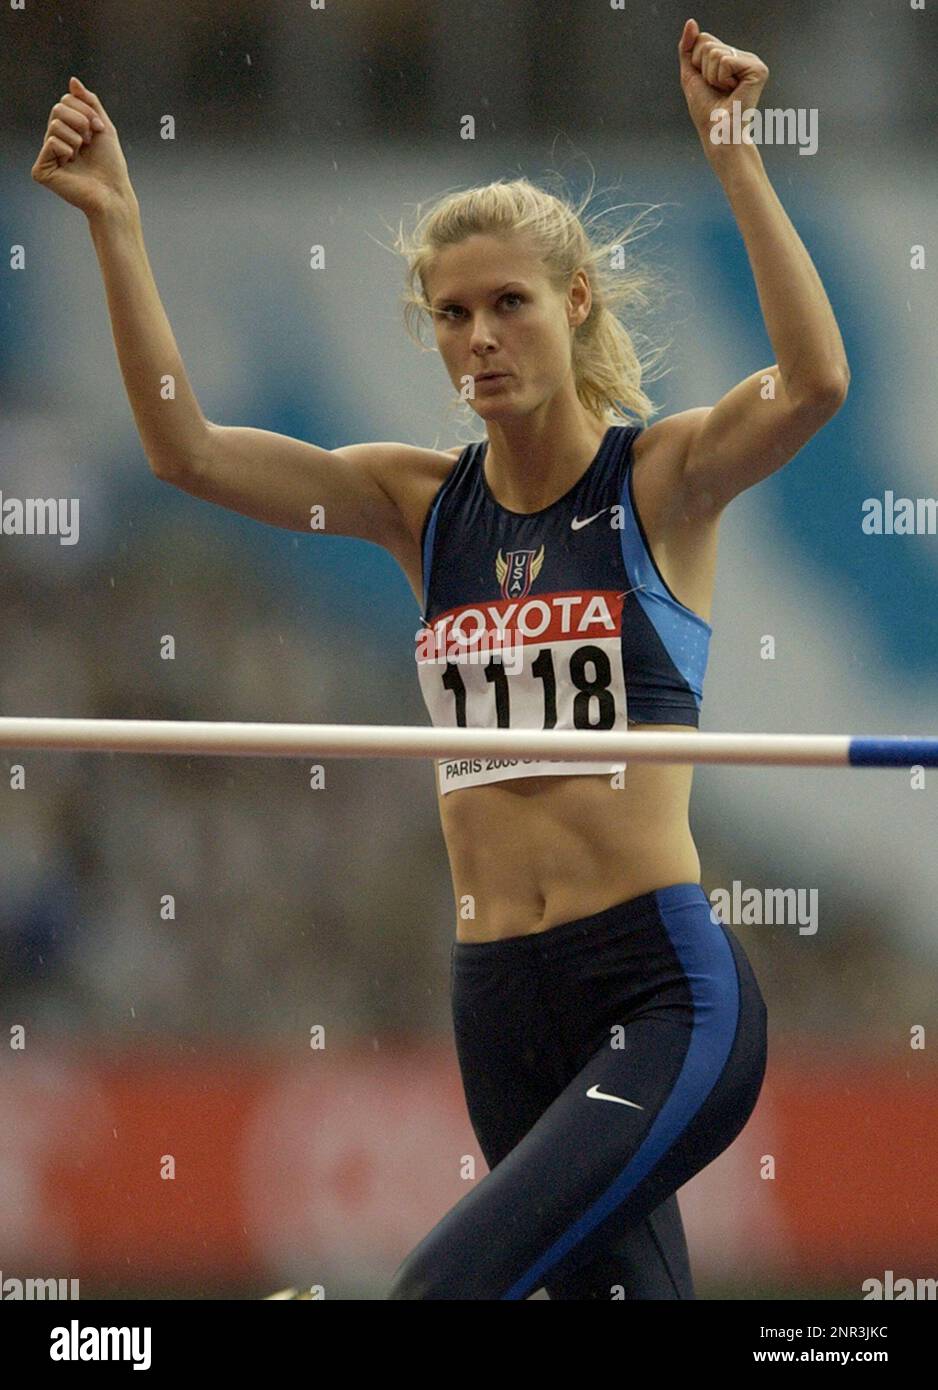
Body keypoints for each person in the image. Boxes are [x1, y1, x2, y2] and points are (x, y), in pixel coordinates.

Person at [32, 19, 849, 1299]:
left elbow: (811, 383)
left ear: (571, 304)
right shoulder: (420, 509)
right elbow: (186, 452)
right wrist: (113, 222)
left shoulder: (660, 482)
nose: (478, 337)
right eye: (451, 313)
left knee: (441, 1288)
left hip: (659, 991)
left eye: (507, 304)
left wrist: (736, 154)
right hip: (496, 1004)